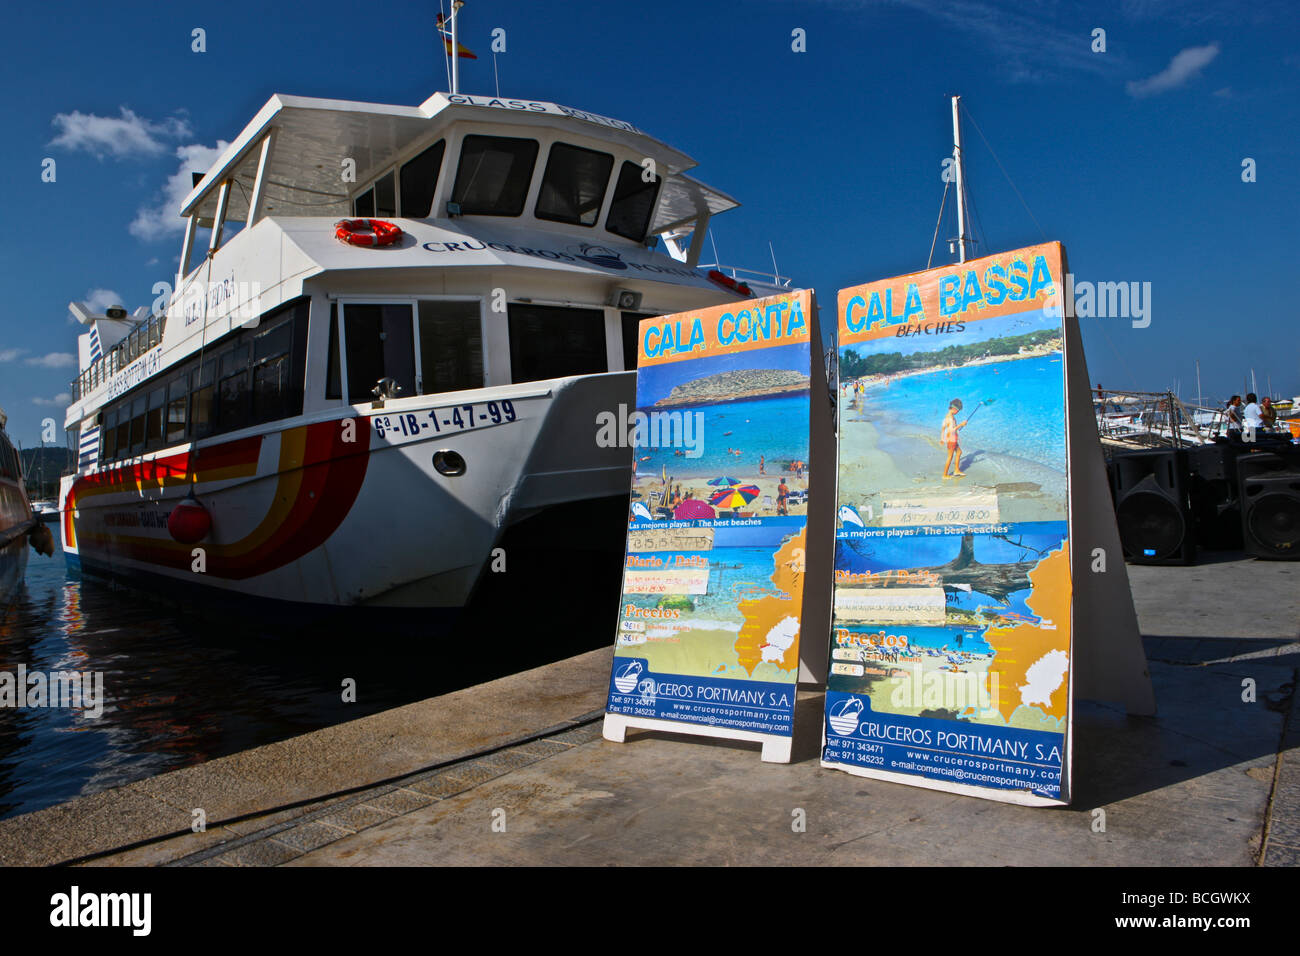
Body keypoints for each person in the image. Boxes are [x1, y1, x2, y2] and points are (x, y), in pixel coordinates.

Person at [941, 398, 967, 478]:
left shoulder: (948, 416)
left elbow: (943, 427)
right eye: (958, 410)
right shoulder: (950, 418)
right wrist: (961, 425)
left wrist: (942, 438)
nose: (958, 412)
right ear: (954, 409)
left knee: (959, 452)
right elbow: (951, 430)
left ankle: (956, 470)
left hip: (952, 438)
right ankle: (945, 475)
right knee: (950, 456)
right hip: (951, 440)